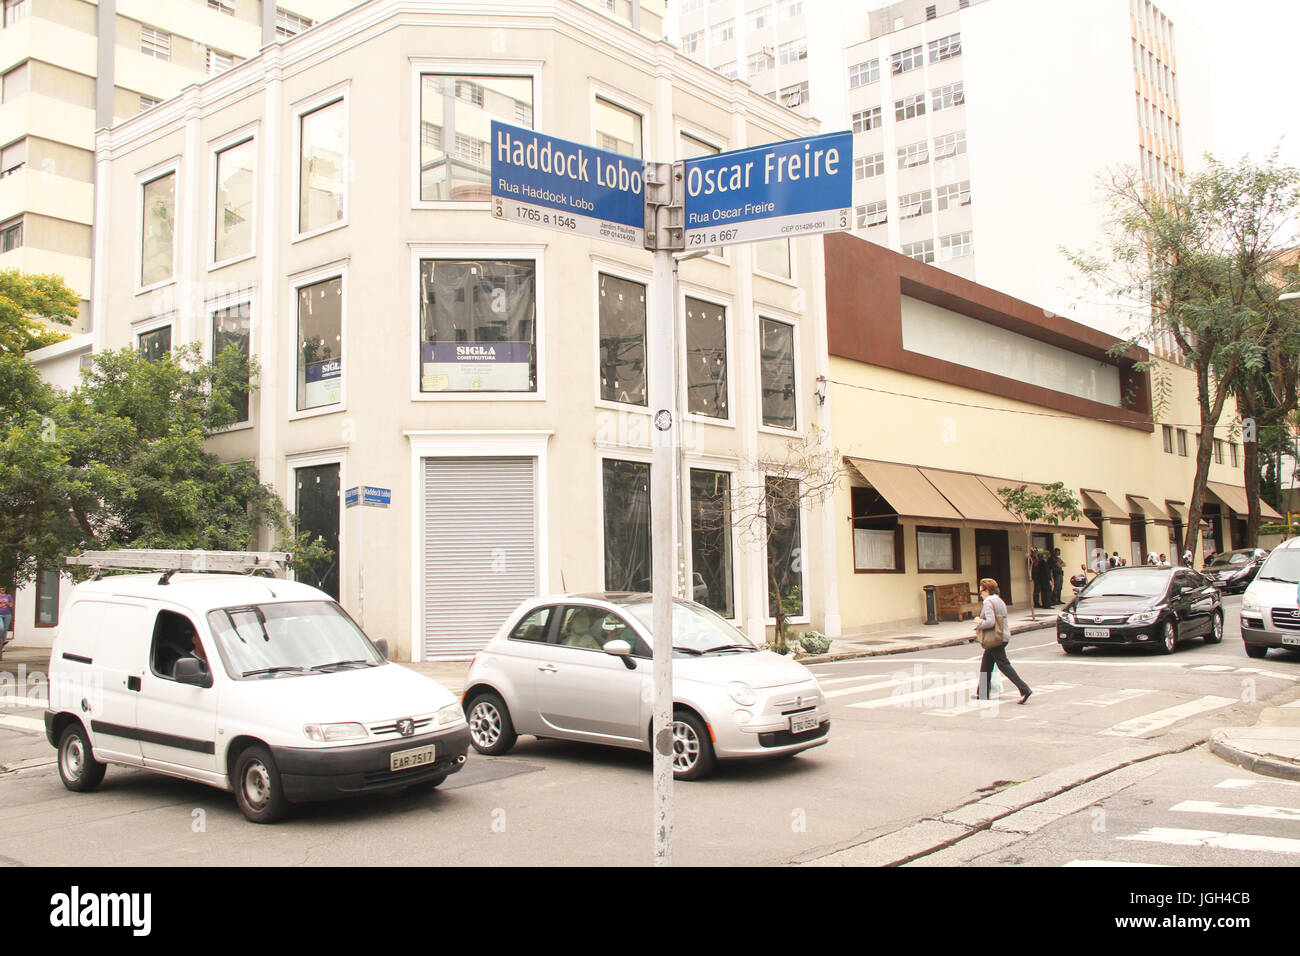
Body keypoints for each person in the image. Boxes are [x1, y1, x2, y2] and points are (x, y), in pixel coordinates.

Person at [972, 578, 1031, 704]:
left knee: (1003, 664)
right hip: (1002, 636)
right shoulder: (999, 601)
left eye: (981, 591)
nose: (981, 594)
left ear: (987, 591)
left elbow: (990, 622)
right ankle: (982, 692)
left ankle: (1024, 689)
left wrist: (979, 622)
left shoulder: (988, 603)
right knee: (986, 663)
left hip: (995, 638)